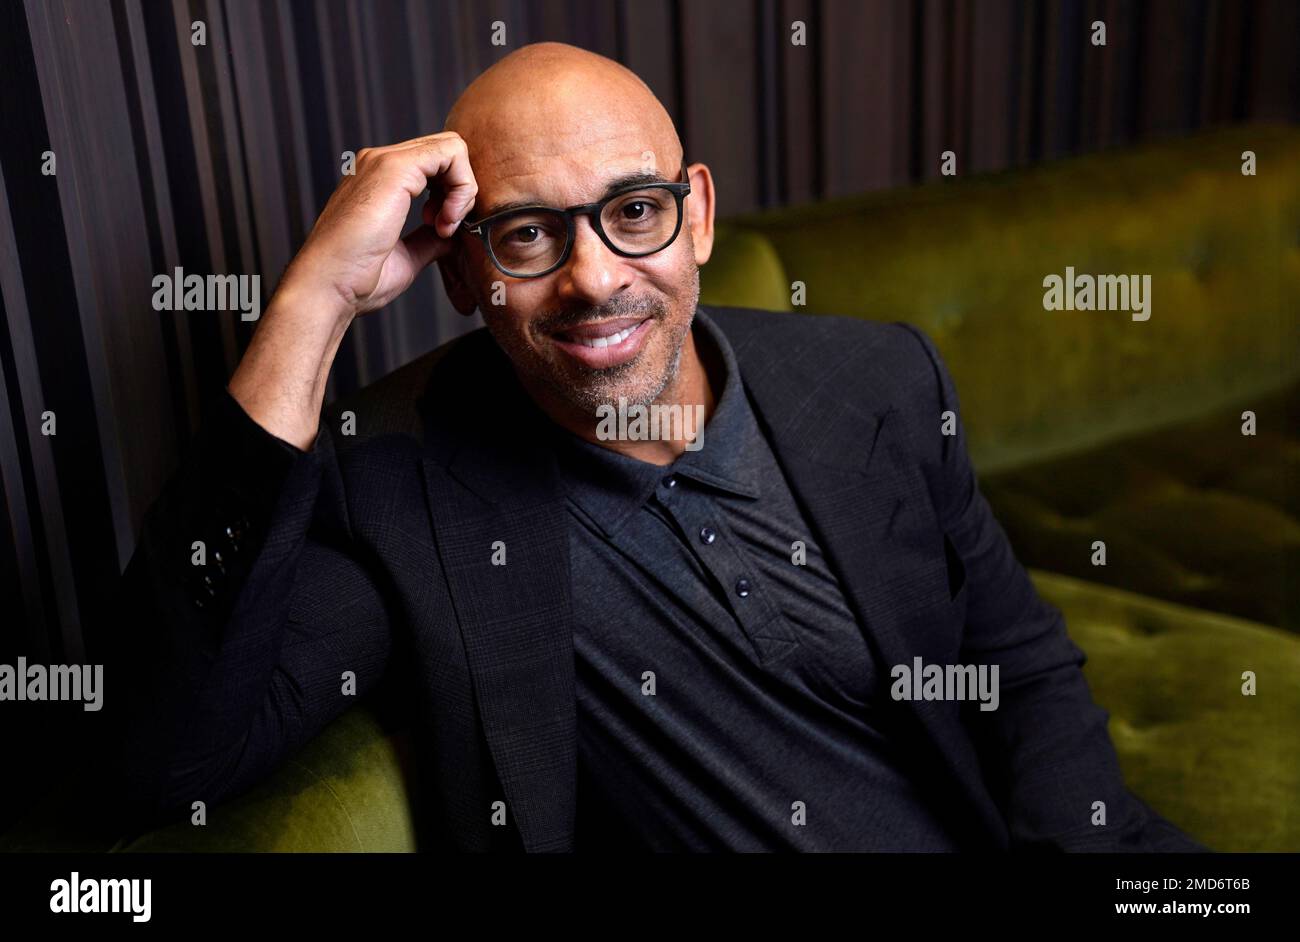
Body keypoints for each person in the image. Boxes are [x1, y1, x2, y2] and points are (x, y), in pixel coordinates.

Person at [103, 41, 1206, 852]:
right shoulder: (398, 486)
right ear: (456, 271)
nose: (592, 277)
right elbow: (171, 757)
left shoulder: (876, 379)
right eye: (527, 233)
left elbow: (1016, 655)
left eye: (634, 210)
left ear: (701, 216)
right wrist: (314, 301)